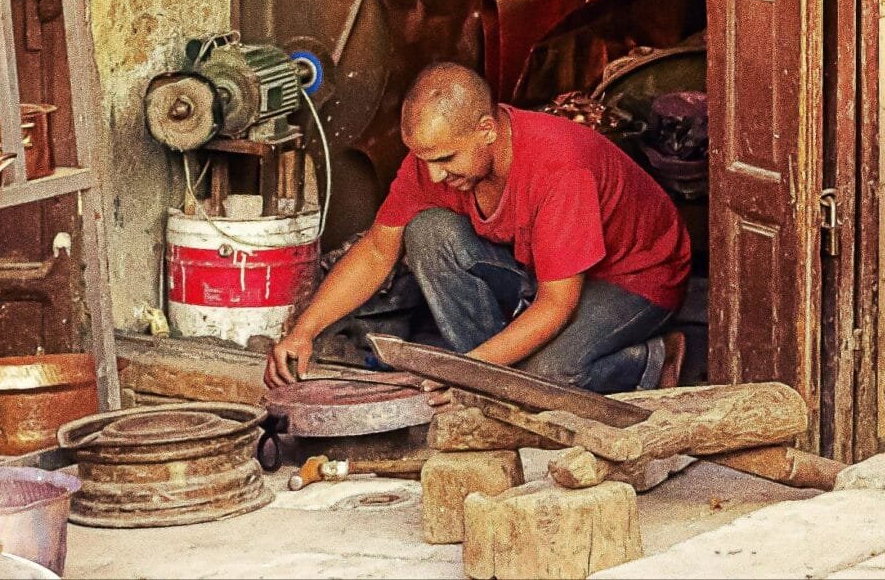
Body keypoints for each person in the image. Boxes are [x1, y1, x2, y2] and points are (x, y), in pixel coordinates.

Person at [265, 62, 689, 395]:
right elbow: (378, 251)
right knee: (427, 231)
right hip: (545, 270)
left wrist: (467, 373)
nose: (432, 176)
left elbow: (557, 303)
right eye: (424, 160)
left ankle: (653, 358)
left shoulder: (559, 168)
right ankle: (488, 375)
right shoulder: (434, 163)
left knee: (543, 380)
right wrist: (304, 332)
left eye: (446, 159)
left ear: (486, 129)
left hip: (635, 277)